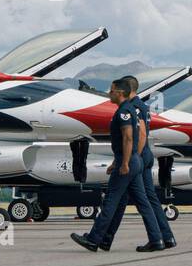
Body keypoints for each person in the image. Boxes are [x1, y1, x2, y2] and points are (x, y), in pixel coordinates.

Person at [71, 78, 166, 253]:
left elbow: (128, 138)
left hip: (128, 161)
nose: (109, 93)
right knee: (143, 202)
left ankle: (93, 239)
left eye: (112, 90)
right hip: (133, 160)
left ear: (120, 93)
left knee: (111, 201)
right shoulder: (132, 110)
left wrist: (123, 163)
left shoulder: (124, 112)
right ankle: (156, 239)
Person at [98, 76, 176, 250]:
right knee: (147, 198)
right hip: (143, 155)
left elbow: (138, 136)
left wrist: (132, 159)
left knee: (124, 200)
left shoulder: (132, 107)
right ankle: (166, 236)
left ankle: (103, 238)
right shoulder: (143, 106)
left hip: (138, 155)